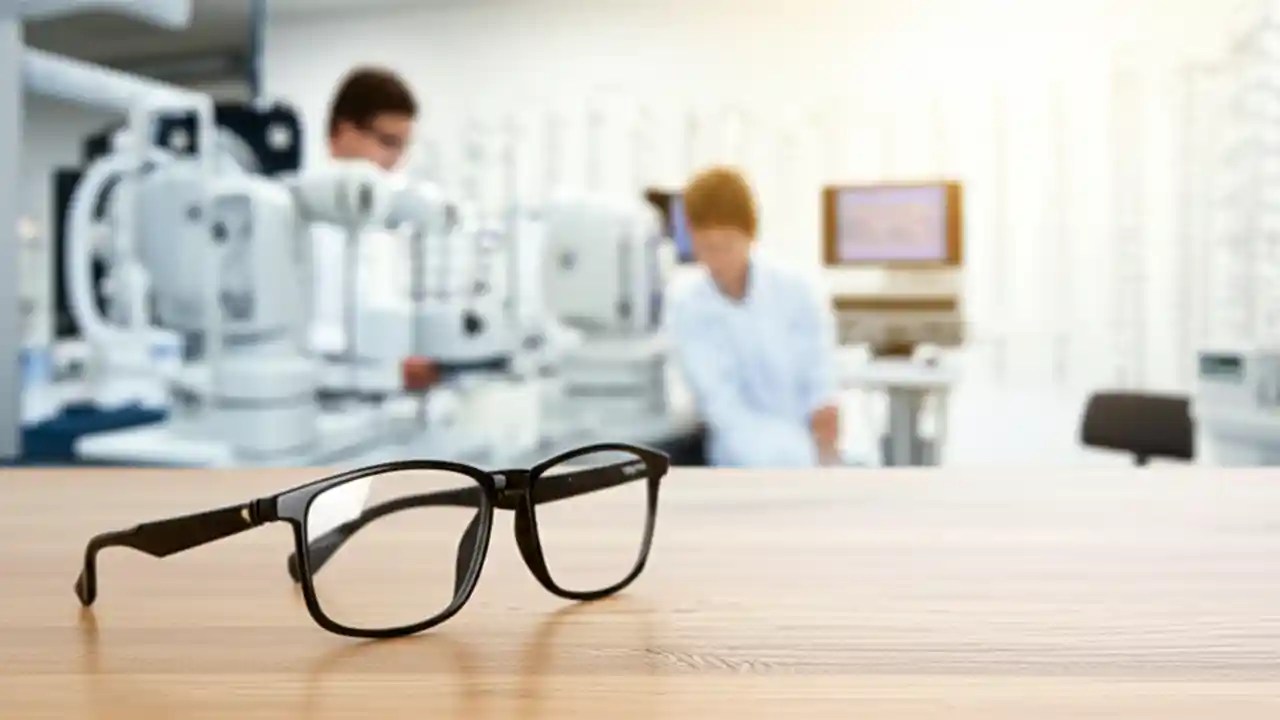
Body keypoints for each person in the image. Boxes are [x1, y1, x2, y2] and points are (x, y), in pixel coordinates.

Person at [665, 167, 841, 467]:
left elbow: (820, 382)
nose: (717, 259)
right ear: (692, 239)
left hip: (813, 447)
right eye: (708, 247)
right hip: (741, 452)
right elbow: (721, 405)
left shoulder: (799, 290)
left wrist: (822, 424)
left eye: (727, 245)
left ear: (750, 236)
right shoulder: (686, 303)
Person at [310, 66, 418, 355]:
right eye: (388, 142)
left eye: (403, 147)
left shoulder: (391, 218)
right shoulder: (302, 217)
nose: (395, 161)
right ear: (343, 133)